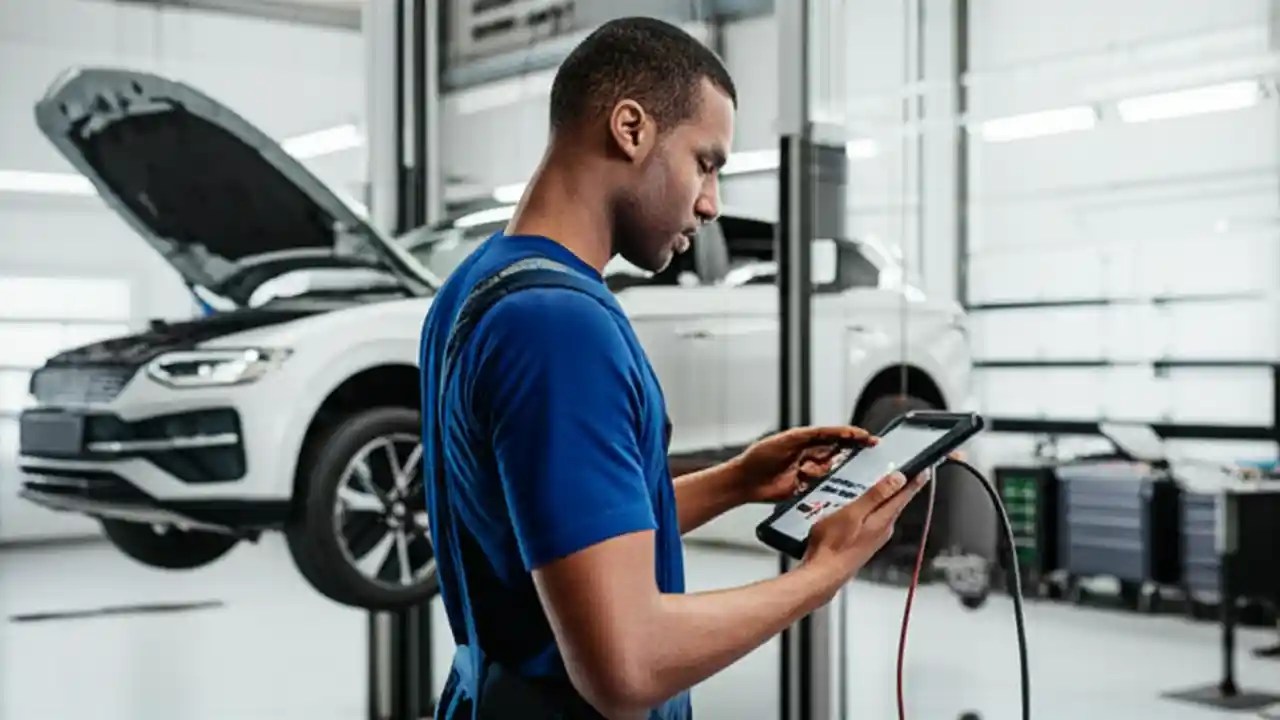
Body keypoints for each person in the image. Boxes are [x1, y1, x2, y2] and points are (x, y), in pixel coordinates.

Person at [418, 16, 927, 720]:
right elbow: (628, 666)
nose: (712, 202)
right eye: (705, 162)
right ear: (631, 129)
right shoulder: (560, 329)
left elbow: (560, 537)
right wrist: (825, 573)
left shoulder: (474, 288)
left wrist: (740, 481)